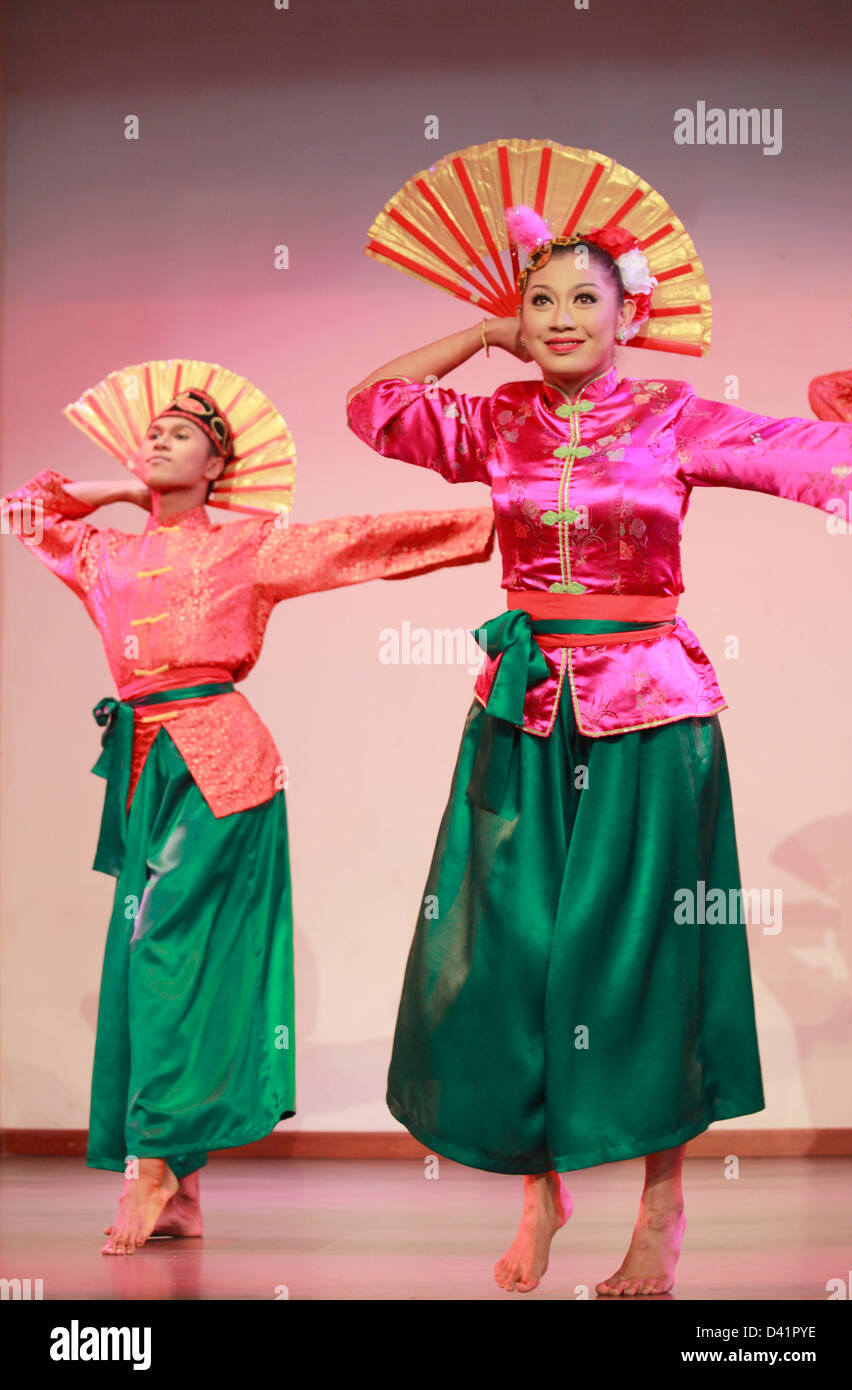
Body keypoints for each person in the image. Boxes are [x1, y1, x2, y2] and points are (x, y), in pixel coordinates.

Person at [346, 216, 852, 1296]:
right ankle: (541, 1192)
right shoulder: (497, 421)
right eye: (540, 301)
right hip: (522, 711)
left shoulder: (671, 414)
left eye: (584, 300)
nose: (560, 320)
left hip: (648, 714)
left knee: (636, 962)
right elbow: (376, 406)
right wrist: (479, 335)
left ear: (629, 317)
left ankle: (659, 1211)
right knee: (512, 953)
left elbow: (810, 457)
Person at [1, 372, 495, 1256]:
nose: (158, 442)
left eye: (180, 435)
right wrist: (117, 489)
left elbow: (362, 543)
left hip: (222, 765)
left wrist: (499, 520)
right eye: (149, 434)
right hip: (141, 766)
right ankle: (184, 1188)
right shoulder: (102, 554)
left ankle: (153, 1162)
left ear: (217, 464)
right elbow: (23, 512)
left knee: (162, 950)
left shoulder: (246, 550)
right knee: (155, 960)